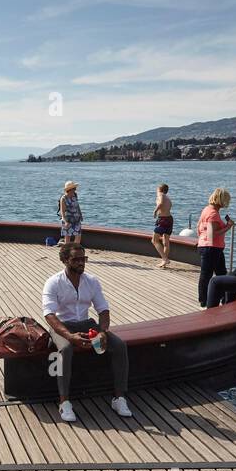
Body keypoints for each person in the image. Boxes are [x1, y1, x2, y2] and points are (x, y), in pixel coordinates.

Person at [42, 243, 131, 424]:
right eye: (76, 259)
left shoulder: (91, 281)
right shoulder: (53, 282)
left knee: (119, 346)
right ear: (65, 260)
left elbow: (103, 310)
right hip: (62, 325)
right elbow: (49, 315)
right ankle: (64, 402)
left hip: (86, 323)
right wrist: (69, 336)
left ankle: (119, 398)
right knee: (65, 350)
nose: (82, 263)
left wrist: (104, 332)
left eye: (84, 259)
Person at [196, 187, 235, 308]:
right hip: (211, 247)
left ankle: (221, 298)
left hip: (209, 246)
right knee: (208, 274)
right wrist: (228, 226)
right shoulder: (213, 213)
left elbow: (199, 227)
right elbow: (211, 235)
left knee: (220, 273)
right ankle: (205, 300)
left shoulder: (207, 209)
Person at [152, 183, 173, 267]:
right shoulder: (168, 198)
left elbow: (160, 203)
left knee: (154, 240)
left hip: (163, 220)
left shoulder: (161, 195)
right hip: (169, 219)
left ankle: (165, 259)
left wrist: (155, 211)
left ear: (159, 189)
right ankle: (164, 262)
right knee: (166, 241)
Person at [59, 181, 83, 245]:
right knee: (67, 236)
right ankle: (67, 251)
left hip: (76, 219)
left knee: (78, 235)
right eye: (74, 189)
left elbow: (77, 206)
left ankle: (75, 249)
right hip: (68, 219)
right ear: (69, 190)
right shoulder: (63, 198)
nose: (75, 190)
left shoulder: (75, 195)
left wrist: (81, 215)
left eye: (75, 189)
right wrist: (65, 221)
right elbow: (62, 211)